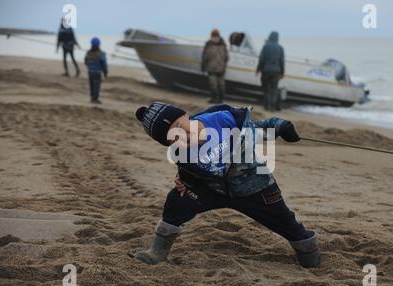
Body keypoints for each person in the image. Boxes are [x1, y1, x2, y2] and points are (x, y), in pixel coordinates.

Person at [131, 102, 321, 268]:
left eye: (181, 126)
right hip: (213, 189)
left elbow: (261, 126)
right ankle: (157, 250)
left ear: (186, 115)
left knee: (284, 220)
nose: (184, 135)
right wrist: (182, 182)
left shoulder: (222, 119)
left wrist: (282, 127)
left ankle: (306, 248)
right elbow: (189, 172)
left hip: (253, 185)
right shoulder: (181, 153)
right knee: (177, 200)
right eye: (175, 137)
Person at [256, 31, 285, 111]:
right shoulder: (280, 48)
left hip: (266, 70)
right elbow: (282, 61)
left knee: (266, 89)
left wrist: (258, 69)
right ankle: (272, 107)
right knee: (274, 89)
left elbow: (261, 59)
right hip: (276, 71)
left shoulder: (265, 46)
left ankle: (266, 106)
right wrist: (282, 72)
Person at [201, 29, 229, 103]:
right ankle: (221, 100)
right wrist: (224, 65)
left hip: (211, 67)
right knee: (221, 84)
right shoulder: (223, 44)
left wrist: (203, 66)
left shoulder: (209, 43)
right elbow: (226, 57)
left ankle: (215, 99)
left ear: (211, 34)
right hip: (221, 68)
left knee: (213, 85)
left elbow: (205, 56)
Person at [84, 37, 108, 104]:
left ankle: (92, 97)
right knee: (96, 86)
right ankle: (95, 99)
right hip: (97, 73)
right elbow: (104, 63)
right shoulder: (101, 53)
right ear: (99, 44)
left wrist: (89, 66)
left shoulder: (88, 52)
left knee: (91, 85)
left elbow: (86, 61)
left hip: (90, 72)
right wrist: (105, 72)